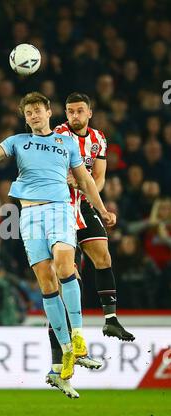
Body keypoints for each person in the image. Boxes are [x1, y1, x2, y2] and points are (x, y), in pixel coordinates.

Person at [0, 92, 116, 397]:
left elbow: (87, 181)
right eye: (29, 112)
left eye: (38, 110)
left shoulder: (65, 144)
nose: (34, 115)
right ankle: (65, 352)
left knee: (66, 268)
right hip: (29, 215)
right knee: (47, 284)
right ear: (25, 117)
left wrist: (101, 210)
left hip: (60, 210)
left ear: (49, 112)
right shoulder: (17, 141)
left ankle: (78, 339)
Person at [45, 92, 135, 397]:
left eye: (79, 111)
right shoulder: (58, 134)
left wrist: (91, 194)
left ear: (90, 112)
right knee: (65, 279)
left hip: (83, 204)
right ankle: (60, 359)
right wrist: (66, 180)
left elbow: (99, 177)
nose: (74, 115)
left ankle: (110, 318)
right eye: (70, 111)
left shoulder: (98, 139)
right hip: (58, 207)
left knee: (103, 256)